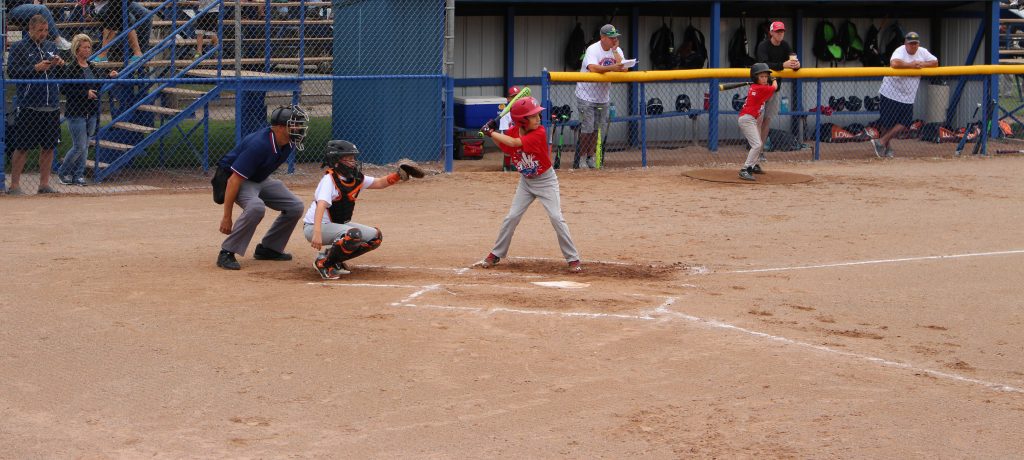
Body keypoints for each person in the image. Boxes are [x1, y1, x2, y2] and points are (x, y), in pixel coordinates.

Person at [478, 97, 582, 273]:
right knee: (511, 217)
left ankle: (573, 258)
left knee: (556, 218)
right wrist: (493, 132)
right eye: (532, 116)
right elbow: (505, 145)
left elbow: (514, 143)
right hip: (526, 183)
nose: (538, 118)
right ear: (521, 121)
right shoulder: (512, 132)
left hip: (546, 181)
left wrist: (490, 132)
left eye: (536, 115)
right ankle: (496, 254)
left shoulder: (539, 132)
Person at [303, 140, 420, 279]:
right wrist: (317, 233)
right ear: (336, 161)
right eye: (349, 159)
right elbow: (321, 206)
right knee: (353, 235)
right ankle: (324, 263)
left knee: (375, 237)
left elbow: (379, 183)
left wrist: (398, 176)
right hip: (315, 227)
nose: (354, 162)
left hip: (336, 225)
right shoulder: (330, 180)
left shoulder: (355, 178)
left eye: (354, 158)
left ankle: (333, 258)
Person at [215, 105, 308, 270]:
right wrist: (227, 217)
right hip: (234, 179)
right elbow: (233, 181)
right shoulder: (259, 145)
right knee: (256, 207)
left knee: (295, 206)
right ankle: (227, 252)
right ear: (280, 128)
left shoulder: (289, 141)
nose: (299, 128)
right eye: (294, 124)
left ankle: (269, 248)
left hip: (258, 179)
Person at [6, 14, 65, 195]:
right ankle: (14, 185)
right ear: (30, 29)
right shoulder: (19, 47)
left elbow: (59, 75)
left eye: (46, 30)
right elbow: (13, 72)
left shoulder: (50, 46)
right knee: (22, 146)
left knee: (49, 146)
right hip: (29, 105)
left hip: (52, 105)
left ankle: (44, 184)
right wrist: (35, 68)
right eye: (40, 30)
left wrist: (60, 64)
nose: (44, 34)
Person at [57, 34, 118, 187]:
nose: (88, 50)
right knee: (79, 146)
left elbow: (99, 81)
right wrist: (85, 93)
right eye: (84, 47)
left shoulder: (91, 66)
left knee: (85, 144)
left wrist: (109, 76)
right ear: (77, 49)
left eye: (89, 47)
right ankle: (63, 172)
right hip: (76, 112)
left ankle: (78, 175)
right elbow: (64, 88)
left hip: (90, 111)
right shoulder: (71, 68)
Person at [870, 32, 938, 158]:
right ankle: (886, 147)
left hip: (908, 95)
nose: (913, 46)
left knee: (906, 122)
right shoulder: (900, 51)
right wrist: (912, 65)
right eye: (910, 43)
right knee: (887, 123)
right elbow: (894, 63)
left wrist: (922, 64)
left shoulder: (922, 51)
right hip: (891, 91)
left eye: (915, 43)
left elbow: (935, 62)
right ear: (905, 43)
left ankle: (881, 142)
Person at [573, 23, 626, 169]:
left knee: (597, 129)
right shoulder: (593, 49)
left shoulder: (616, 49)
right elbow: (593, 68)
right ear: (603, 38)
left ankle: (591, 157)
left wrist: (615, 52)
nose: (614, 40)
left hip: (603, 96)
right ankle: (582, 159)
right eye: (611, 38)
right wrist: (612, 68)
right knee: (587, 128)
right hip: (586, 94)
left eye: (615, 37)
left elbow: (624, 68)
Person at [754, 21, 800, 151]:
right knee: (758, 120)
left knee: (767, 121)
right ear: (771, 33)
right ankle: (755, 150)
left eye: (782, 31)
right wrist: (782, 65)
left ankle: (760, 150)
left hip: (774, 89)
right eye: (777, 31)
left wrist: (796, 65)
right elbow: (764, 64)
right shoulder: (763, 45)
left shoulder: (785, 46)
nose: (780, 34)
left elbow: (792, 62)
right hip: (761, 89)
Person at [737, 63, 778, 181]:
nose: (765, 79)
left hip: (749, 119)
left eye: (766, 76)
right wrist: (773, 79)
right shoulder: (760, 88)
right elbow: (774, 87)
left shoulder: (755, 87)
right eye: (762, 77)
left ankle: (753, 166)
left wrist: (767, 80)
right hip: (747, 120)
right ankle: (745, 169)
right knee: (757, 145)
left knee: (757, 143)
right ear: (755, 78)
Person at [7, 1, 73, 50]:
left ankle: (39, 50)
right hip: (14, 10)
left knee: (45, 14)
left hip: (27, 12)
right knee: (42, 8)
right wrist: (32, 4)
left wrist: (33, 3)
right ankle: (58, 40)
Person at [498, 86, 519, 172]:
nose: (516, 99)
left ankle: (520, 164)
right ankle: (507, 165)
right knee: (509, 142)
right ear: (508, 99)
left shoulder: (524, 110)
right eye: (513, 97)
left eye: (517, 96)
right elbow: (505, 131)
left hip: (520, 135)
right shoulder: (505, 112)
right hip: (509, 136)